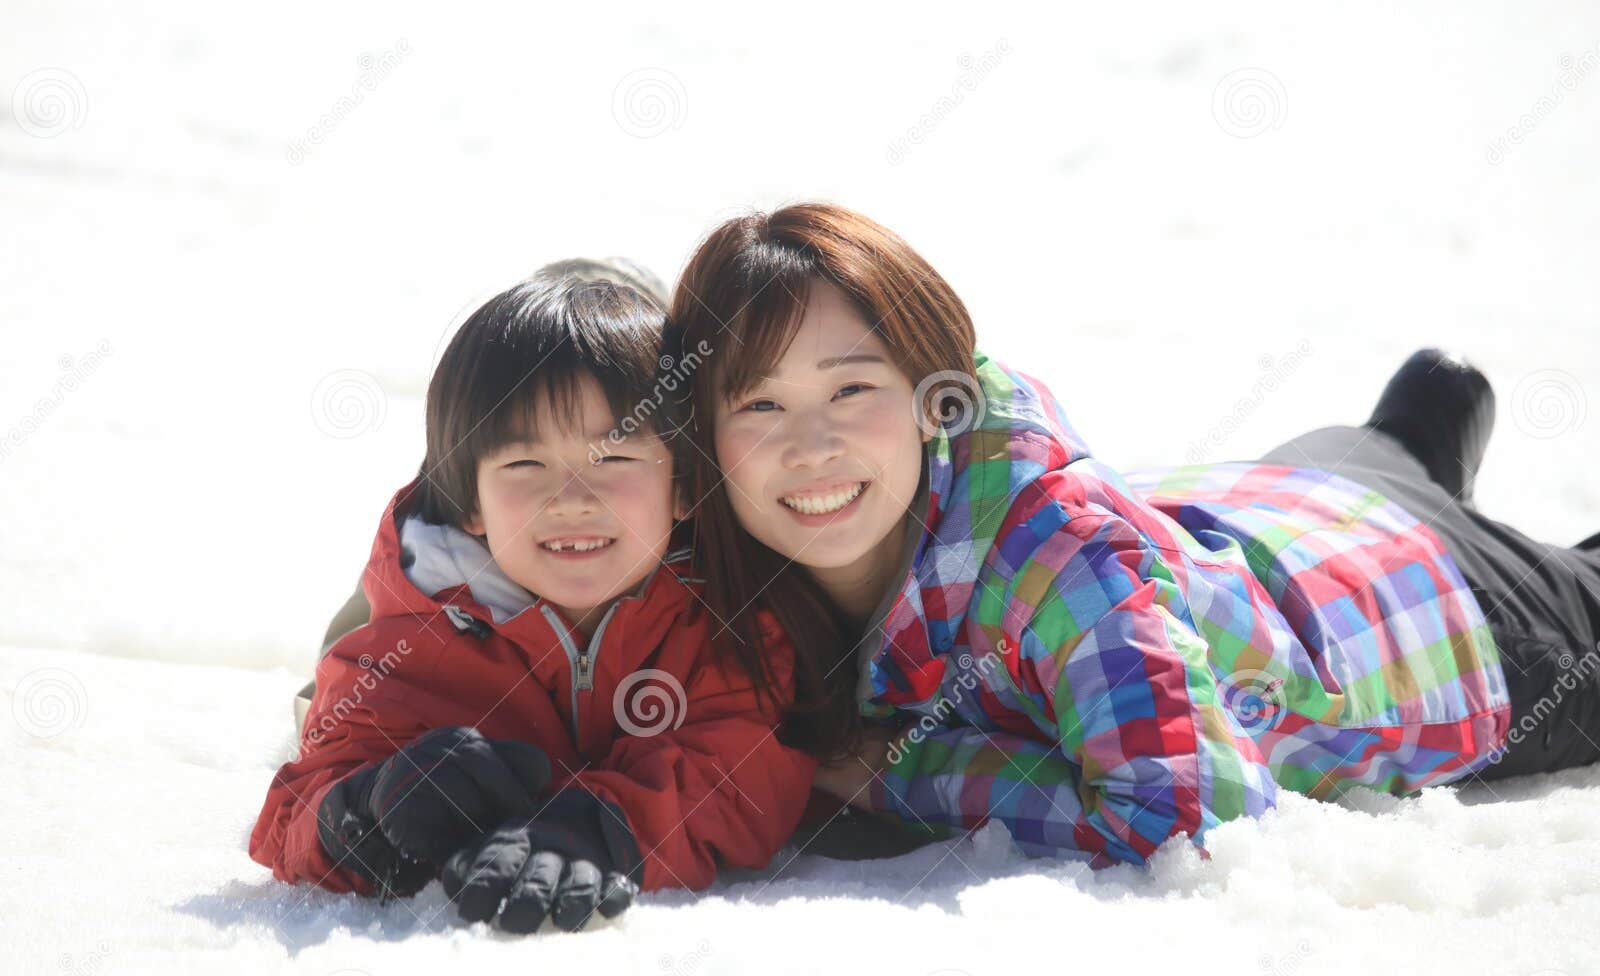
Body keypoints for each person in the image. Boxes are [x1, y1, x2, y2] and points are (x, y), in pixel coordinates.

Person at [666, 202, 1600, 868]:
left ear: (933, 398)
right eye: (759, 402)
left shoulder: (1061, 567)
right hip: (1264, 499)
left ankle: (1420, 449)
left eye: (850, 389)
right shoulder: (718, 551)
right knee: (1381, 451)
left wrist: (910, 774)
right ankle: (1418, 427)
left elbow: (1199, 817)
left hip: (1413, 609)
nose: (810, 446)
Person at [249, 262, 816, 932]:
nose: (572, 501)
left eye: (615, 459)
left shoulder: (721, 611)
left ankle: (614, 288)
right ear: (471, 504)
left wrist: (601, 825)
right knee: (324, 684)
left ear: (686, 487)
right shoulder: (416, 626)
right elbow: (294, 807)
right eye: (525, 465)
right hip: (445, 602)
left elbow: (749, 766)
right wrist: (366, 809)